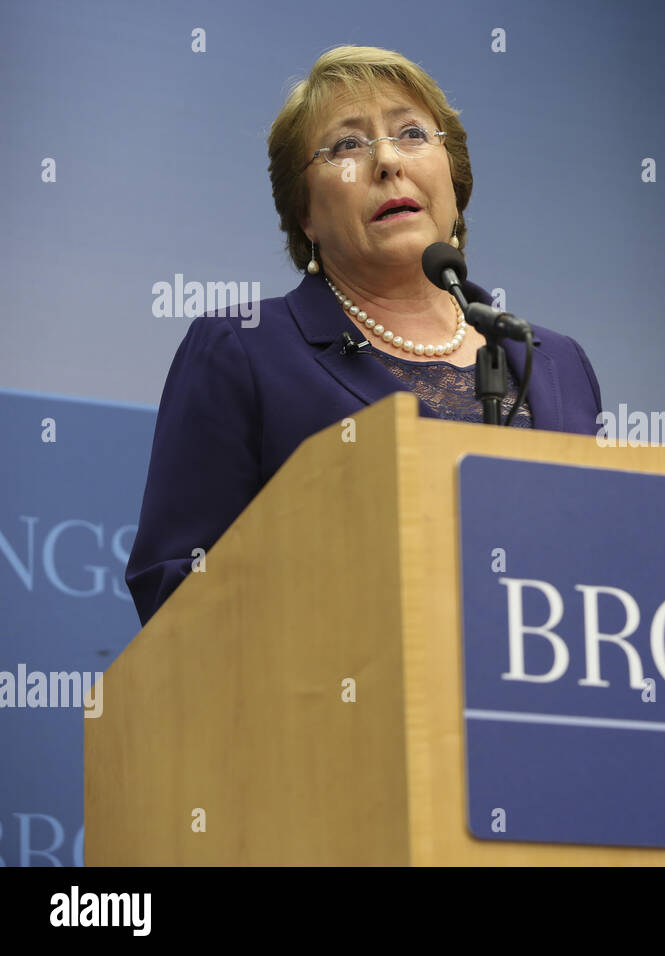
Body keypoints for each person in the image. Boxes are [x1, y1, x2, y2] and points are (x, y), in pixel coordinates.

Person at [125, 45, 603, 627]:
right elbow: (176, 590)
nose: (386, 162)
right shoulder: (242, 348)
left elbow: (602, 573)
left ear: (453, 177)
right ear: (304, 214)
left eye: (411, 134)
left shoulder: (554, 360)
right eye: (348, 145)